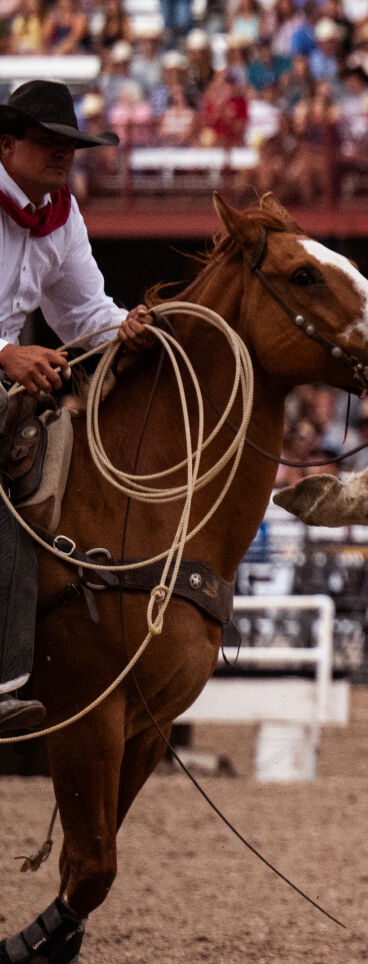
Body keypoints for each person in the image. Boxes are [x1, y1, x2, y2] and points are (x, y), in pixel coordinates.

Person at [0, 82, 154, 731]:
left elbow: (81, 313)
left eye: (71, 145)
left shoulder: (60, 215)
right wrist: (4, 353)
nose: (63, 155)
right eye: (48, 142)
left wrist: (129, 325)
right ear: (6, 144)